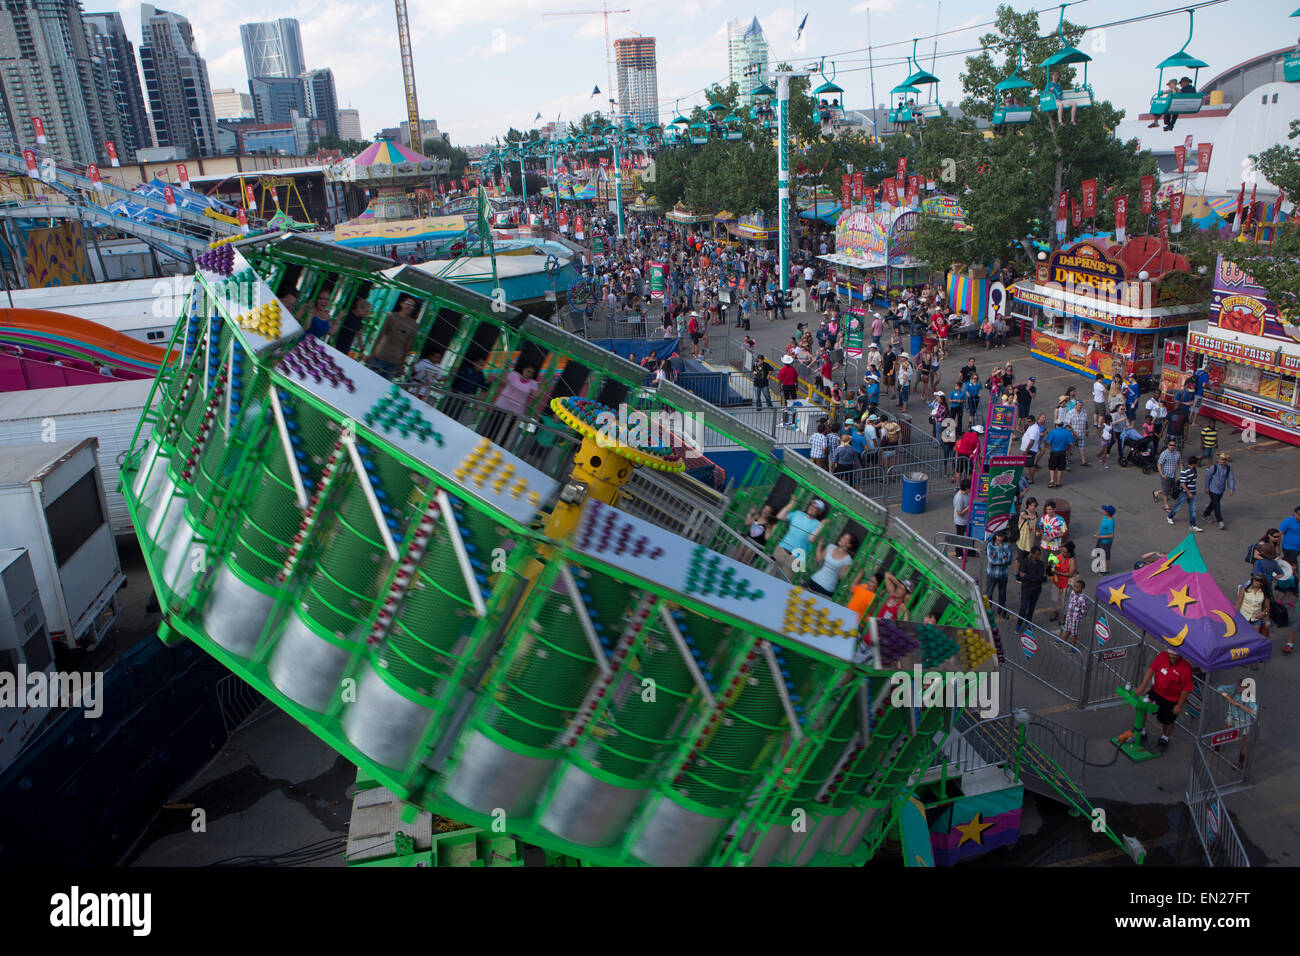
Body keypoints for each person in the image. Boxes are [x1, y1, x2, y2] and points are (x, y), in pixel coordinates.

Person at [1132, 648, 1193, 751]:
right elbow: (1151, 670)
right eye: (1171, 654)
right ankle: (1141, 731)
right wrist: (1143, 685)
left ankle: (1165, 737)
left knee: (1168, 721)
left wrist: (1179, 705)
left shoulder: (1186, 668)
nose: (1172, 656)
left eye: (1175, 655)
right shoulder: (1162, 656)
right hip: (1156, 692)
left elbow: (1186, 689)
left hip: (1171, 699)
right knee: (1142, 709)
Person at [773, 498, 826, 576]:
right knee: (767, 574)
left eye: (816, 507)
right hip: (781, 550)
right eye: (811, 505)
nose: (812, 508)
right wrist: (792, 503)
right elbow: (780, 516)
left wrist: (821, 525)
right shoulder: (798, 513)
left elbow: (811, 539)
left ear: (819, 512)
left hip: (796, 559)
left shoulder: (818, 524)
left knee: (784, 584)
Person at [369, 297, 421, 377]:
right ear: (401, 304)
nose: (410, 307)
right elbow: (379, 335)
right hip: (380, 356)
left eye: (412, 306)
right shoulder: (391, 316)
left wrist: (402, 363)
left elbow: (408, 345)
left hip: (395, 362)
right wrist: (371, 353)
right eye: (408, 304)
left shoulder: (414, 325)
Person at [1214, 678, 1256, 767]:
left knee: (1243, 741)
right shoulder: (1234, 688)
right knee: (1223, 729)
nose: (1237, 688)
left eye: (1241, 687)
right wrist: (1228, 697)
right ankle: (1216, 746)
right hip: (1232, 715)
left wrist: (1239, 704)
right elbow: (1220, 688)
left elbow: (1254, 711)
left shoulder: (1250, 698)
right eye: (1238, 685)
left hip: (1243, 721)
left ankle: (1240, 762)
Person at [808, 532, 859, 597]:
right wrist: (819, 545)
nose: (841, 538)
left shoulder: (848, 560)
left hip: (827, 588)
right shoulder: (830, 547)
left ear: (849, 544)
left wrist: (851, 568)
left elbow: (841, 577)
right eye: (842, 537)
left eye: (844, 538)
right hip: (814, 580)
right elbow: (819, 559)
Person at [1166, 455, 1204, 532]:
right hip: (1185, 493)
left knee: (1192, 509)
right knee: (1178, 506)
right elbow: (1183, 484)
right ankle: (1170, 516)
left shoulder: (1194, 469)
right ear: (1193, 463)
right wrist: (1189, 493)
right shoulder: (1184, 471)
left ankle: (1193, 525)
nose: (1197, 464)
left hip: (1193, 492)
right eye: (1196, 463)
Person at [1202, 452, 1234, 530]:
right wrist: (1206, 488)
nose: (1220, 461)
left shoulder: (1228, 468)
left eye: (1222, 459)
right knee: (1217, 505)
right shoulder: (1214, 467)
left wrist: (1231, 488)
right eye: (1220, 459)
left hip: (1221, 490)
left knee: (1213, 503)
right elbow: (1208, 477)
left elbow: (1231, 479)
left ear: (1225, 461)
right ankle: (1220, 521)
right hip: (1213, 489)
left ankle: (1205, 515)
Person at [1047, 540, 1076, 622]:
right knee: (1054, 599)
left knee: (1064, 602)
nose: (1062, 553)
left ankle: (1064, 615)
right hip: (1056, 582)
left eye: (1065, 552)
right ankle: (1055, 612)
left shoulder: (1072, 561)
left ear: (1069, 553)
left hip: (1066, 584)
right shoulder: (1059, 557)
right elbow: (1053, 565)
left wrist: (1058, 572)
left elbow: (1070, 574)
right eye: (1062, 551)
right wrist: (1050, 564)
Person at [1016, 546, 1048, 621]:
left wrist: (1027, 576)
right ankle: (1019, 623)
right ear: (1032, 554)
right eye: (1037, 554)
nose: (1039, 556)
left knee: (1032, 607)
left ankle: (1028, 621)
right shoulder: (1025, 562)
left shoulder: (1040, 564)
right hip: (1026, 589)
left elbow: (1040, 578)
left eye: (1039, 554)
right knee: (1023, 607)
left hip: (1036, 589)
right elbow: (1022, 576)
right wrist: (1034, 577)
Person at [986, 528, 1013, 615]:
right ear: (995, 536)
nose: (1000, 538)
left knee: (1002, 594)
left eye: (1001, 536)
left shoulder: (1007, 546)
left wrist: (999, 560)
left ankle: (1001, 610)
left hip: (1003, 574)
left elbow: (1009, 560)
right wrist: (1003, 560)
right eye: (998, 536)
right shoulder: (990, 545)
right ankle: (987, 609)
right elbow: (991, 560)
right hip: (992, 574)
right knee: (989, 593)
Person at [1044, 419, 1075, 488]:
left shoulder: (1053, 432)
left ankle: (1052, 480)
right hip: (1063, 452)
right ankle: (1058, 482)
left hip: (1054, 451)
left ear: (1056, 425)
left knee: (1052, 466)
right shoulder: (1068, 432)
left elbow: (1048, 442)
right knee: (1060, 467)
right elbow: (1071, 443)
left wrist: (1050, 448)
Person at [1154, 439, 1181, 513]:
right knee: (1166, 491)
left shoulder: (1177, 454)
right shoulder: (1164, 454)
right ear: (1168, 445)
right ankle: (1166, 505)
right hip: (1165, 475)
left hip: (1173, 475)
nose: (1172, 446)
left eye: (1173, 445)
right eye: (1170, 445)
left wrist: (1182, 470)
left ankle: (1157, 493)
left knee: (1170, 489)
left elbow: (1180, 462)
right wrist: (1162, 474)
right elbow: (1159, 464)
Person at [1062, 577, 1087, 646]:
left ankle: (1073, 645)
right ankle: (1063, 640)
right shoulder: (1072, 592)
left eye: (1078, 587)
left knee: (1074, 633)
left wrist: (1079, 618)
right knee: (1067, 629)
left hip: (1075, 618)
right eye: (1075, 587)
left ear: (1082, 588)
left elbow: (1083, 609)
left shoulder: (1082, 598)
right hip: (1069, 615)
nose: (1075, 588)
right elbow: (1070, 602)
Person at [1021, 413, 1045, 484]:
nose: (1028, 423)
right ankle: (1029, 477)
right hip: (1029, 449)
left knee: (1030, 465)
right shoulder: (1031, 426)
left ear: (1034, 421)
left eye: (1030, 421)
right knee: (1029, 465)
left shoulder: (1034, 429)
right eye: (1027, 421)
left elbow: (1032, 441)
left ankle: (1031, 480)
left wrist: (1026, 450)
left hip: (1030, 450)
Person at [1095, 504, 1116, 572]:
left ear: (1107, 512)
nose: (1103, 510)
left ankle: (1105, 570)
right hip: (1100, 540)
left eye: (1105, 510)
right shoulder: (1104, 517)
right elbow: (1101, 527)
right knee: (1098, 552)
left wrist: (1100, 536)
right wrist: (1098, 533)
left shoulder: (1110, 522)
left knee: (1106, 556)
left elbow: (1111, 535)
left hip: (1106, 542)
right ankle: (1099, 566)